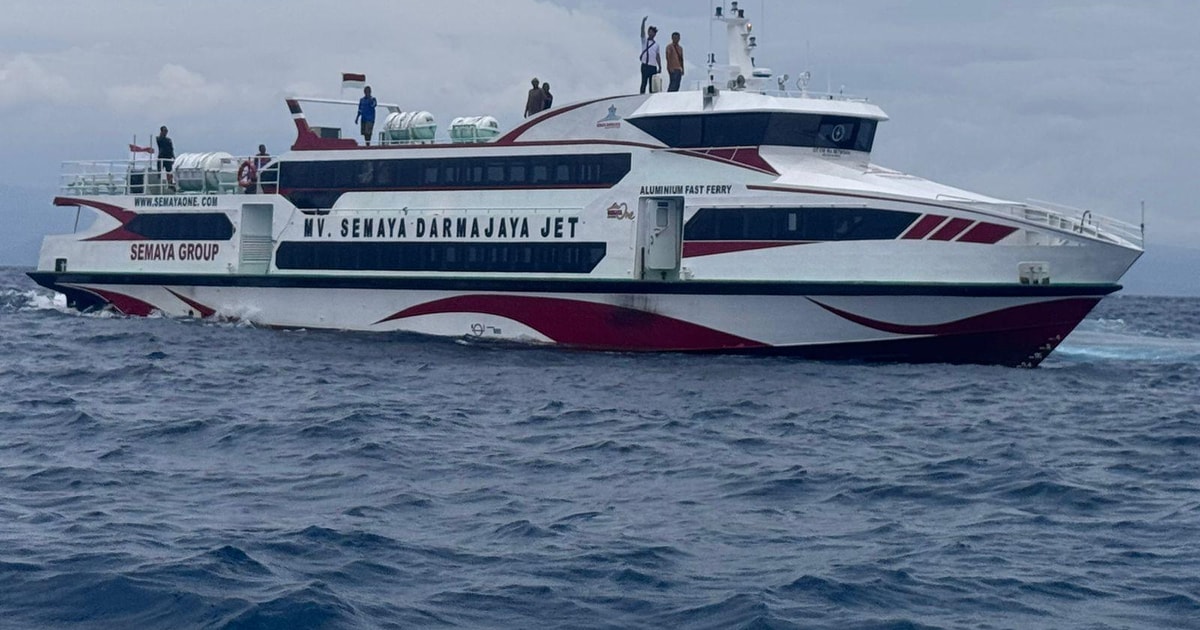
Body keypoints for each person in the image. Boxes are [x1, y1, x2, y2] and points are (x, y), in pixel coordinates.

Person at [639, 17, 661, 94]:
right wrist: (643, 22)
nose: (651, 33)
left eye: (653, 32)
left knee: (652, 85)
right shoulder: (644, 41)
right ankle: (641, 96)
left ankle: (651, 98)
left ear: (655, 34)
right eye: (650, 32)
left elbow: (657, 56)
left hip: (653, 66)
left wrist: (660, 66)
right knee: (644, 82)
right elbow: (642, 32)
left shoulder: (656, 45)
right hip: (645, 65)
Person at [155, 126, 175, 191]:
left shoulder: (169, 140)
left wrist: (173, 156)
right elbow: (160, 141)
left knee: (169, 171)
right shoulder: (159, 138)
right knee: (159, 171)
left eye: (166, 131)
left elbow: (171, 149)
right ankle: (158, 185)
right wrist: (162, 135)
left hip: (168, 157)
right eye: (164, 131)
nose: (166, 132)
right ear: (161, 131)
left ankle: (170, 184)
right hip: (161, 157)